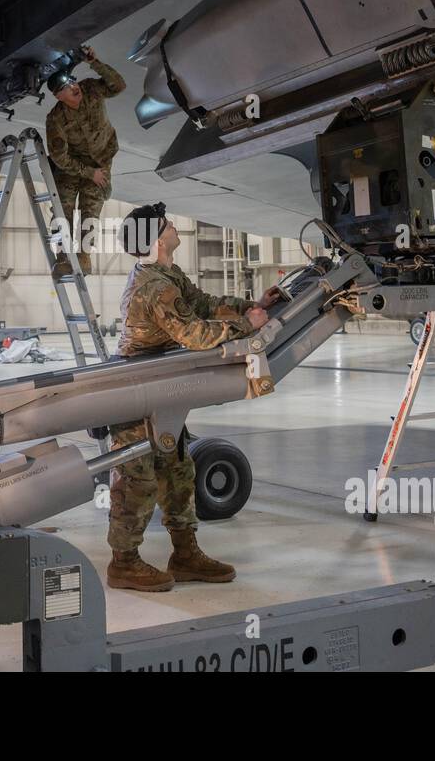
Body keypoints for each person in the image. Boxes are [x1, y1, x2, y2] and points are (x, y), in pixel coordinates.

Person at [105, 203, 279, 592]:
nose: (173, 227)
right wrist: (244, 326)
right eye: (166, 224)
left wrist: (253, 307)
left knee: (178, 473)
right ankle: (124, 563)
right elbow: (194, 335)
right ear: (156, 239)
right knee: (138, 480)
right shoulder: (155, 287)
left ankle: (185, 554)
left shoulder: (166, 275)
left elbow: (201, 303)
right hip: (137, 396)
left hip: (159, 390)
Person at [44, 45, 124, 276]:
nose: (73, 87)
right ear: (59, 96)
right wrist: (89, 173)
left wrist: (95, 63)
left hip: (101, 162)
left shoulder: (91, 89)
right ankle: (63, 257)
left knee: (91, 212)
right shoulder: (56, 118)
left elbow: (118, 86)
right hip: (70, 168)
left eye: (73, 82)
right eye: (66, 88)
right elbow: (60, 156)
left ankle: (84, 257)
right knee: (62, 213)